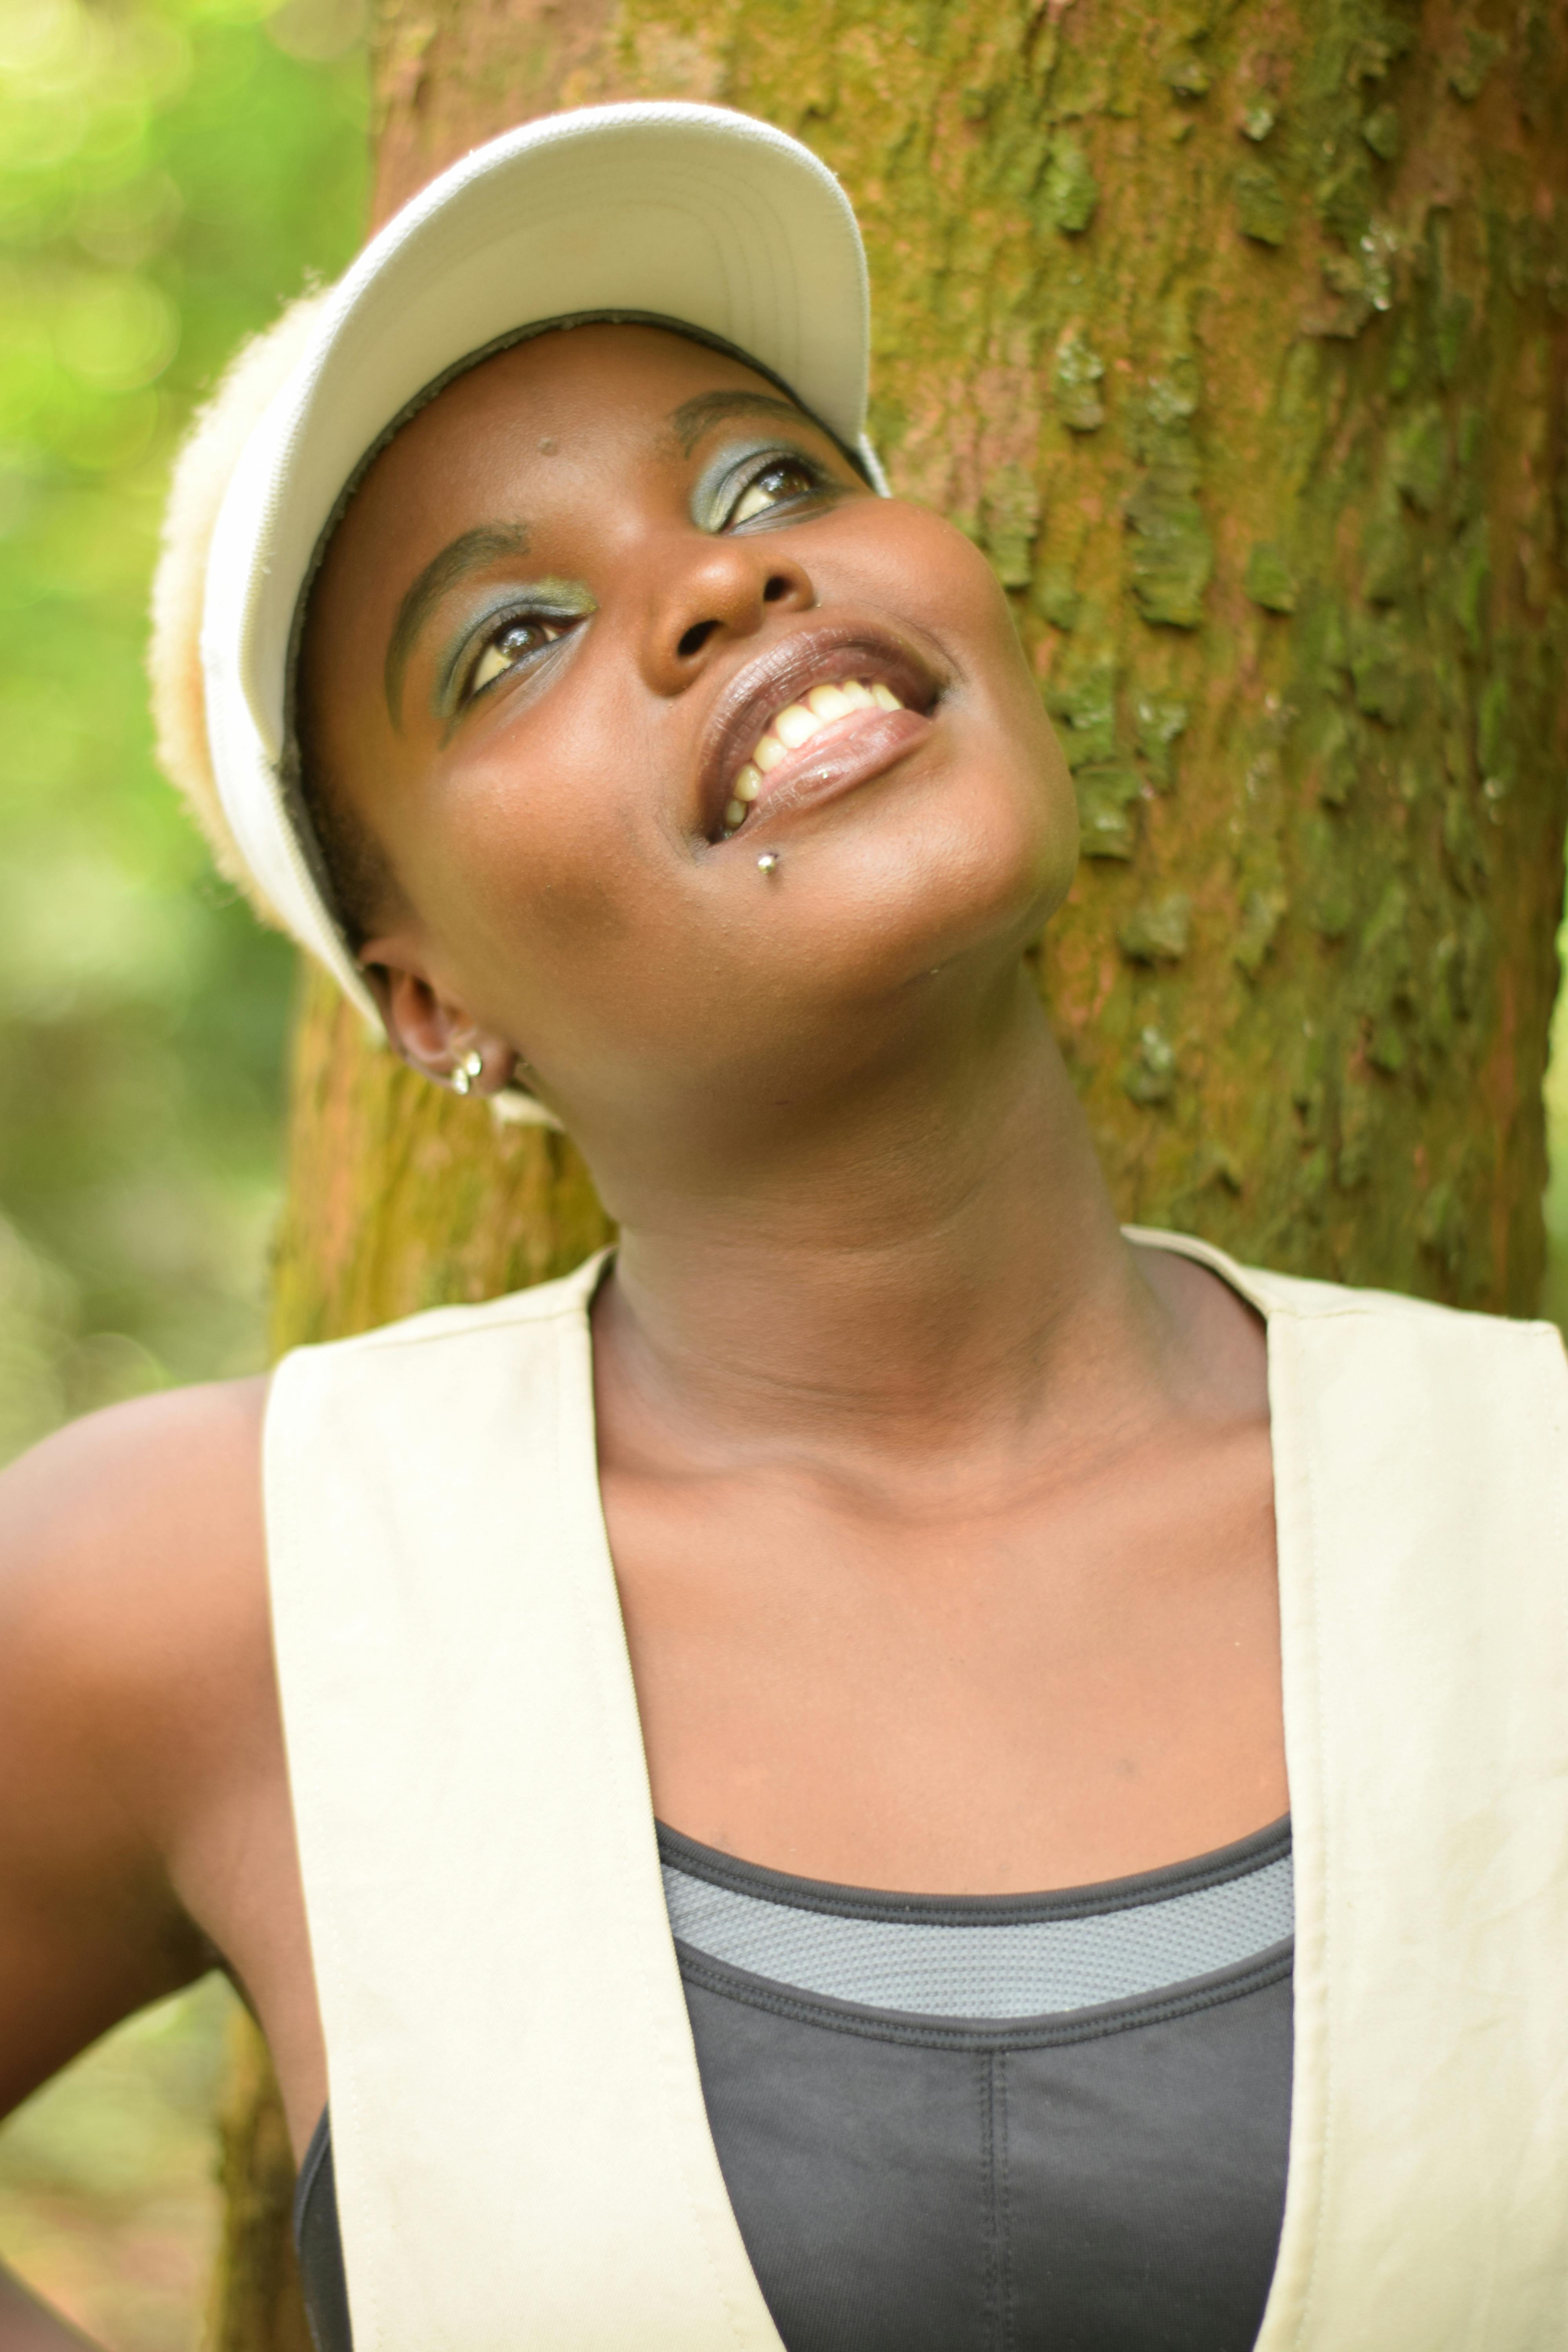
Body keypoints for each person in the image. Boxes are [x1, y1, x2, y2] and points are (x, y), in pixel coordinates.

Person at [0, 101, 1563, 2352]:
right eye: (511, 638)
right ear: (432, 998)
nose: (726, 578)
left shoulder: (1531, 1499)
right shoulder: (227, 1587)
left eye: (770, 484)